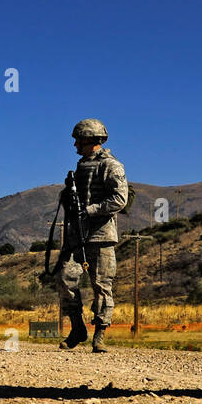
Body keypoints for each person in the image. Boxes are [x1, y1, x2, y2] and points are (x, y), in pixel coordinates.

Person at [54, 119, 128, 354]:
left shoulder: (111, 165)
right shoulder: (80, 167)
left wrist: (90, 210)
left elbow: (119, 199)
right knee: (65, 278)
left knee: (101, 286)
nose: (75, 144)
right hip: (77, 236)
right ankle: (78, 328)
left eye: (78, 139)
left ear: (90, 139)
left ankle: (100, 334)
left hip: (101, 235)